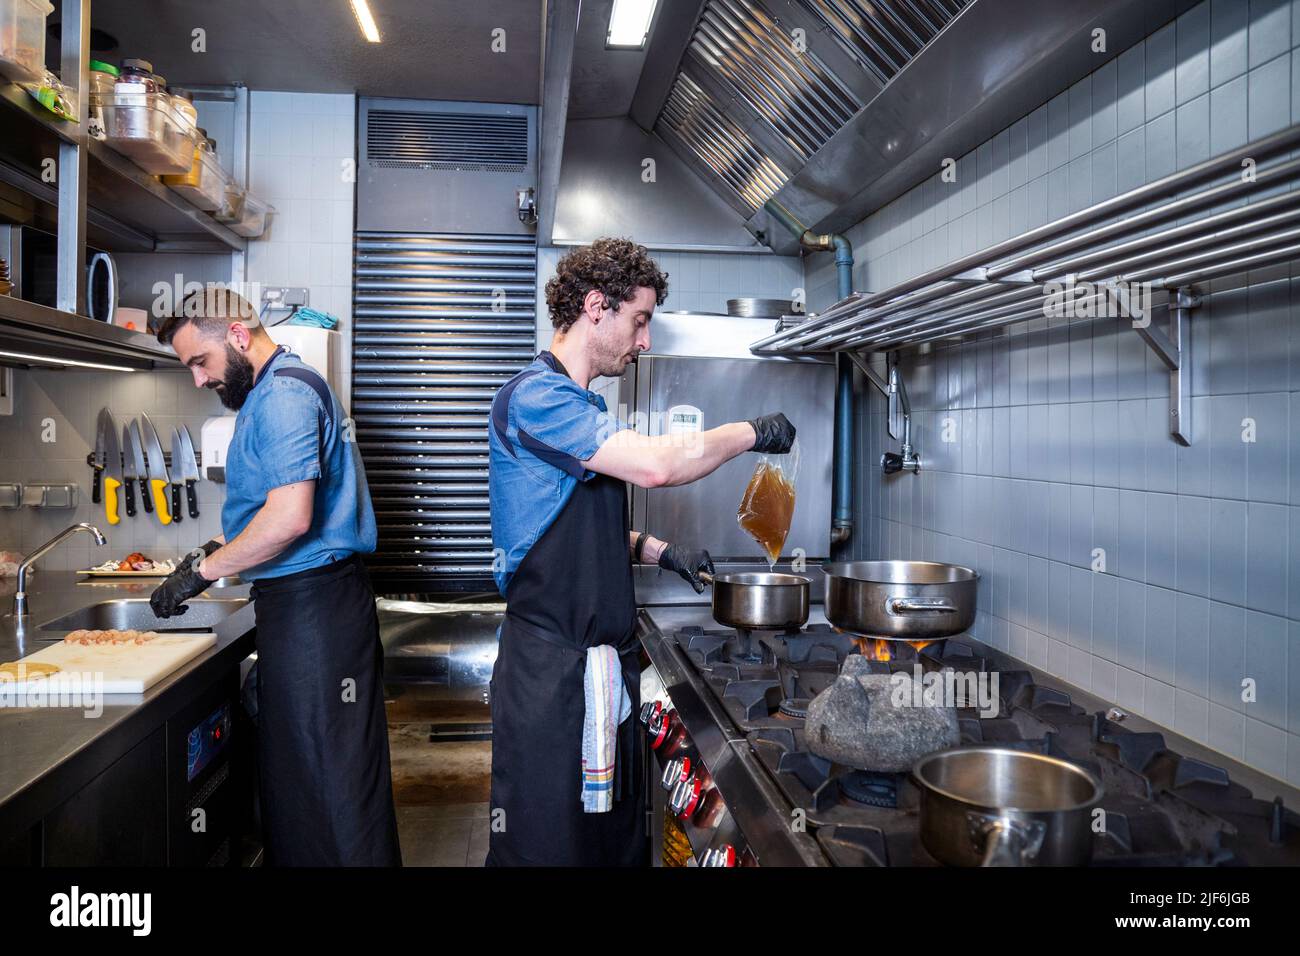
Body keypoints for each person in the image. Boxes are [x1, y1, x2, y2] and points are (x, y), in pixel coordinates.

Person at [487, 237, 796, 865]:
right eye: (640, 319)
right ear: (596, 306)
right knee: (550, 851)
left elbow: (570, 525)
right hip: (552, 680)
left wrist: (659, 551)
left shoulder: (581, 406)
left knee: (613, 849)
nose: (646, 340)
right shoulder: (535, 398)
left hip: (601, 670)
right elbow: (656, 467)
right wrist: (752, 432)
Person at [150, 287, 400, 866]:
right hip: (303, 612)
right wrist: (213, 551)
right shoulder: (270, 391)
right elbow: (267, 508)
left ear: (237, 336)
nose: (197, 380)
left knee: (334, 791)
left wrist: (205, 572)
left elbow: (290, 517)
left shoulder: (285, 393)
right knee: (308, 788)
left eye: (199, 362)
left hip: (319, 616)